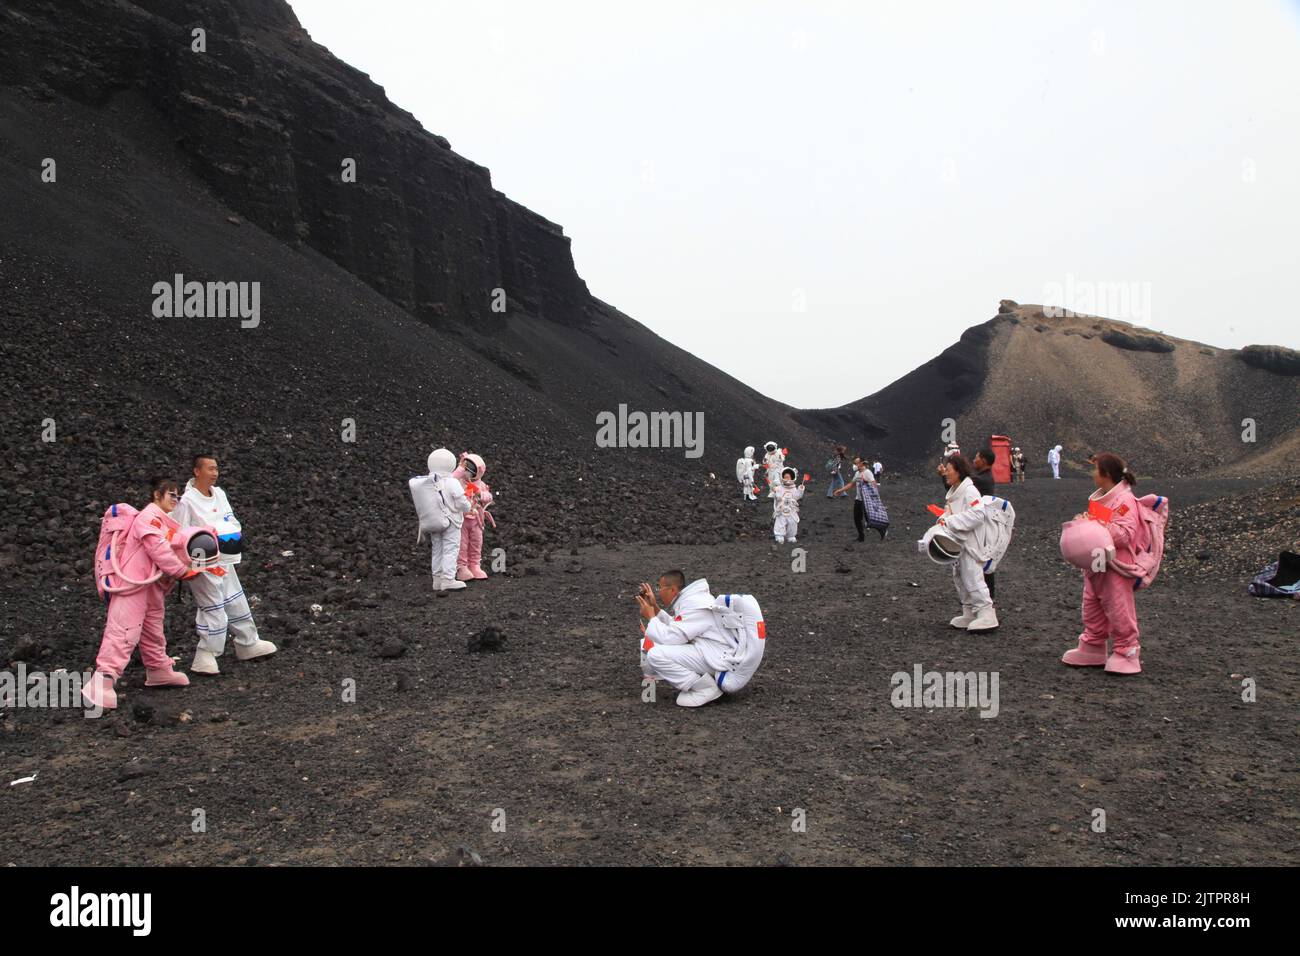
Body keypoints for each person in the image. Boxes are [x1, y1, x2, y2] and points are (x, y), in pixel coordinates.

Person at [82, 478, 198, 711]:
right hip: (133, 584)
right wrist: (181, 570)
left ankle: (158, 669)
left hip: (149, 584)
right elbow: (158, 547)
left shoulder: (161, 520)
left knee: (152, 626)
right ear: (157, 495)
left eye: (177, 496)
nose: (175, 500)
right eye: (171, 495)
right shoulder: (149, 518)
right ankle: (101, 682)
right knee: (124, 629)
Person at [174, 455, 278, 675]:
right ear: (197, 471)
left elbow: (231, 519)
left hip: (226, 558)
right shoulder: (186, 501)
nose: (215, 473)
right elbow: (178, 533)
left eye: (216, 469)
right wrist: (185, 565)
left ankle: (247, 642)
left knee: (236, 600)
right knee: (213, 607)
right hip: (203, 563)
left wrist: (227, 536)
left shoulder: (219, 494)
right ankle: (206, 654)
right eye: (210, 468)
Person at [1061, 453, 1145, 674]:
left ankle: (1127, 651)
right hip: (1096, 563)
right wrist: (1088, 523)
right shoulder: (1104, 497)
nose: (1092, 474)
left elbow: (1126, 533)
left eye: (1095, 469)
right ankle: (1093, 645)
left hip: (1115, 564)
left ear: (1106, 474)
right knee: (1092, 604)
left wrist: (1094, 525)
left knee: (1118, 607)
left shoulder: (1125, 500)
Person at [637, 572, 728, 708]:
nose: (658, 592)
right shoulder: (693, 600)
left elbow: (671, 638)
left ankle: (705, 688)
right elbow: (679, 628)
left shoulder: (694, 605)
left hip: (715, 658)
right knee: (658, 647)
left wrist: (651, 617)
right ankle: (706, 683)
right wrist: (654, 608)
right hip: (713, 652)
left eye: (659, 588)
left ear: (672, 589)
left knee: (655, 654)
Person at [936, 455, 999, 632]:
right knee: (960, 575)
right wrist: (943, 520)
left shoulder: (970, 491)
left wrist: (951, 522)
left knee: (972, 576)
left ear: (958, 471)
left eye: (949, 470)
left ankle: (986, 613)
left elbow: (978, 514)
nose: (946, 473)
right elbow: (949, 511)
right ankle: (970, 611)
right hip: (959, 543)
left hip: (971, 543)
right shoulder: (955, 493)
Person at [421, 447, 472, 592]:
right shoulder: (452, 482)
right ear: (450, 463)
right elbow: (461, 501)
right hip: (451, 522)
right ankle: (448, 579)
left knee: (437, 549)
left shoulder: (427, 482)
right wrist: (468, 507)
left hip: (434, 520)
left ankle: (437, 580)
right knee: (450, 549)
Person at [454, 453, 495, 581]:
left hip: (477, 520)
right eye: (466, 470)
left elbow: (489, 497)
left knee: (476, 543)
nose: (468, 474)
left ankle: (475, 565)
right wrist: (459, 472)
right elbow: (449, 482)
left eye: (471, 471)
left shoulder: (480, 484)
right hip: (462, 519)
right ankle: (461, 567)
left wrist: (479, 494)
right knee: (462, 543)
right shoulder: (457, 482)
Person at [834, 457, 889, 541]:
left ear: (861, 463)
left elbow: (874, 484)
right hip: (858, 499)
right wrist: (841, 490)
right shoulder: (857, 474)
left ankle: (882, 530)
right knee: (857, 518)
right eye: (855, 463)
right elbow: (852, 484)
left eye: (856, 463)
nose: (855, 465)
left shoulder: (867, 473)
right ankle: (861, 536)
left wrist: (872, 494)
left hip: (866, 501)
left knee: (870, 519)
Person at [971, 447, 998, 600]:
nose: (974, 460)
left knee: (982, 559)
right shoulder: (985, 478)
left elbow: (961, 482)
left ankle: (986, 597)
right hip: (985, 524)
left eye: (977, 457)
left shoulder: (981, 480)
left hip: (981, 526)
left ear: (984, 461)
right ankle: (988, 596)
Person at [772, 466, 804, 544]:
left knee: (792, 522)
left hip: (791, 508)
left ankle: (791, 535)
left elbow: (797, 496)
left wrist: (800, 489)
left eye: (789, 477)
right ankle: (779, 535)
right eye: (785, 477)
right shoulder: (780, 488)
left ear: (792, 477)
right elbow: (777, 496)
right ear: (782, 477)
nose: (787, 479)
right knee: (780, 522)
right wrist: (775, 491)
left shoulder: (794, 488)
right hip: (782, 508)